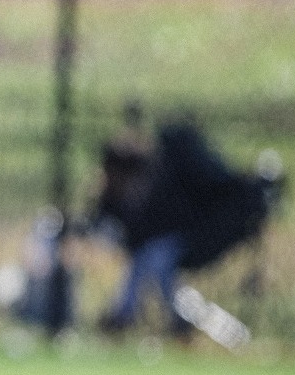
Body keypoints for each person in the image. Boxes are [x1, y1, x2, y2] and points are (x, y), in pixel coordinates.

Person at [96, 116, 274, 336]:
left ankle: (164, 320)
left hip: (194, 241)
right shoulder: (121, 198)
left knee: (157, 259)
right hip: (168, 249)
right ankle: (129, 316)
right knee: (148, 260)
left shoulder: (168, 183)